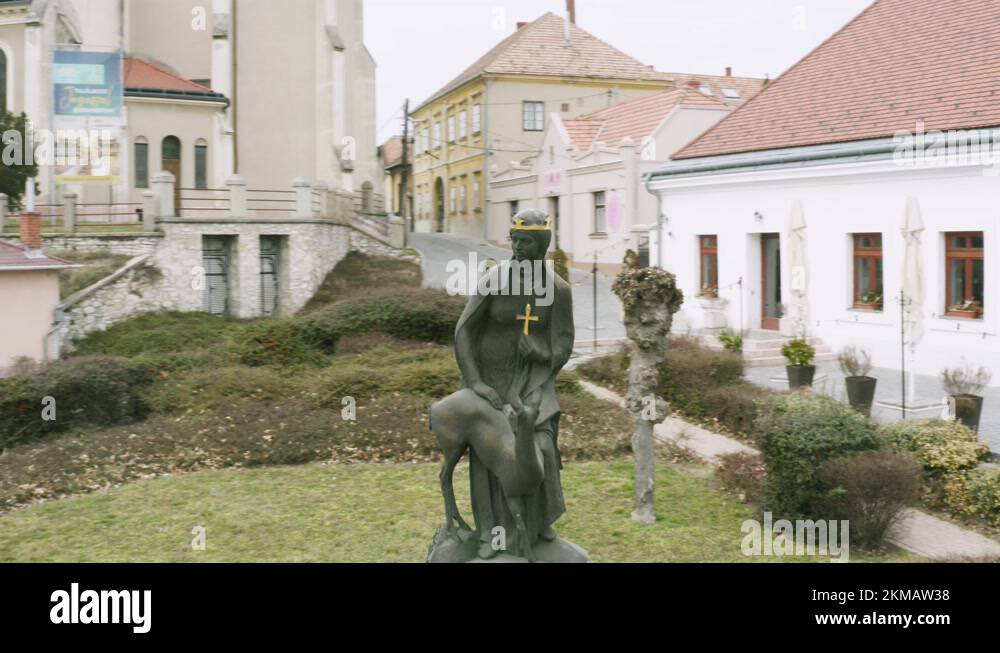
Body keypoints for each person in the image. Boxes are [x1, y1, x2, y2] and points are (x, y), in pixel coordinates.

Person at [451, 209, 575, 559]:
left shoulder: (558, 290)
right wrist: (474, 382)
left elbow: (564, 344)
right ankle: (490, 534)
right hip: (489, 383)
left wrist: (539, 352)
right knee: (488, 457)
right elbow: (464, 330)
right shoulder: (494, 280)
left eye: (527, 242)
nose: (518, 247)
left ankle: (537, 524)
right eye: (515, 240)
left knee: (542, 448)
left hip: (533, 384)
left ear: (542, 245)